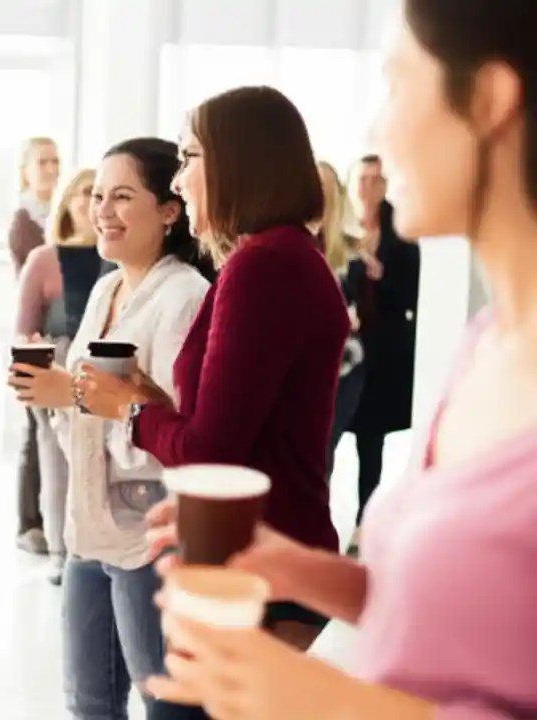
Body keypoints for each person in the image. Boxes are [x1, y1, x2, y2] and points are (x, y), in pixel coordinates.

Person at [146, 2, 537, 717]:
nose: (377, 132)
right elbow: (466, 618)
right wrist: (300, 568)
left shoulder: (269, 264)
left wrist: (325, 701)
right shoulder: (488, 343)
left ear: (488, 100)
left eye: (394, 86)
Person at [75, 86, 349, 659]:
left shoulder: (263, 267)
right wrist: (148, 401)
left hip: (261, 561)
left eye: (189, 159)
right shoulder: (278, 256)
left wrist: (129, 411)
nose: (177, 180)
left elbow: (208, 455)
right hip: (268, 552)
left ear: (237, 163)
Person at [12, 139, 210, 719]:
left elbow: (172, 432)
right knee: (89, 703)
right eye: (98, 195)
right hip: (88, 527)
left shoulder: (184, 298)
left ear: (169, 210)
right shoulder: (105, 288)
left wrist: (70, 393)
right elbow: (83, 412)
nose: (101, 209)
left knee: (166, 703)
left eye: (122, 196)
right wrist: (49, 391)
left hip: (150, 532)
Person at [13, 167, 98, 584]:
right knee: (56, 461)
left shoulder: (119, 257)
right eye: (87, 192)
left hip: (105, 372)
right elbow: (23, 327)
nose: (94, 201)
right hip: (57, 366)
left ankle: (92, 546)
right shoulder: (44, 259)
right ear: (68, 202)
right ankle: (61, 551)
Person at [345, 153, 421, 554]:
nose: (370, 187)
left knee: (370, 442)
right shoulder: (341, 227)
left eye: (377, 179)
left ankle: (364, 524)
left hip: (386, 353)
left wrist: (381, 275)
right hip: (345, 352)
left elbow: (414, 296)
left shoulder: (402, 229)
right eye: (363, 179)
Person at [10, 136, 62, 555]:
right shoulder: (25, 222)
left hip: (59, 339)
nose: (50, 167)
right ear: (25, 168)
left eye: (55, 160)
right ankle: (29, 523)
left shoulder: (58, 211)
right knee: (34, 431)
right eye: (42, 161)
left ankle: (47, 519)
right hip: (35, 337)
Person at [314, 161, 366, 480]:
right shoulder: (284, 245)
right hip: (302, 369)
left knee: (321, 454)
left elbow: (365, 316)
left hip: (342, 372)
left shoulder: (351, 254)